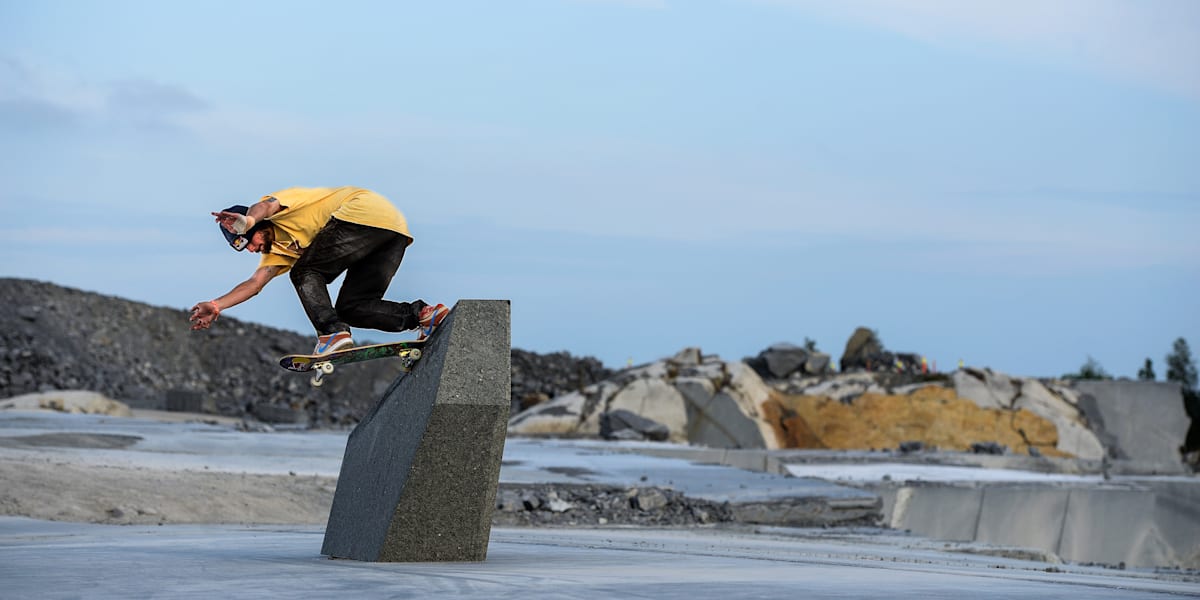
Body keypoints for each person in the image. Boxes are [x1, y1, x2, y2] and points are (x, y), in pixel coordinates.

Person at [189, 186, 449, 355]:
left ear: (256, 227)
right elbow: (255, 283)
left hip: (359, 212)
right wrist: (217, 305)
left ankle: (332, 333)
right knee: (353, 307)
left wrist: (247, 220)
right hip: (392, 232)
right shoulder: (278, 252)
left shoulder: (277, 210)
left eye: (247, 241)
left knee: (304, 273)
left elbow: (266, 206)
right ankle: (423, 315)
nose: (250, 249)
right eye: (240, 248)